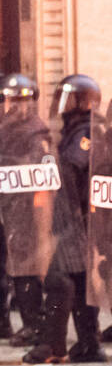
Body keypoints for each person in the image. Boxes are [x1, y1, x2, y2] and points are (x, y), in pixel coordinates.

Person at [24, 74, 104, 364]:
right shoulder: (71, 130)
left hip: (81, 218)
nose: (63, 105)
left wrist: (47, 157)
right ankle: (89, 344)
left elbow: (71, 165)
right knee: (81, 281)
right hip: (71, 215)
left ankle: (53, 344)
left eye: (68, 98)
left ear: (83, 101)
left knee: (59, 279)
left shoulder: (89, 131)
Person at [0, 74, 52, 351]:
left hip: (27, 211)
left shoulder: (37, 133)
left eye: (22, 101)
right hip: (7, 208)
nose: (15, 106)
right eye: (10, 100)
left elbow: (43, 175)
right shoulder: (5, 130)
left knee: (26, 269)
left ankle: (34, 324)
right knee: (13, 268)